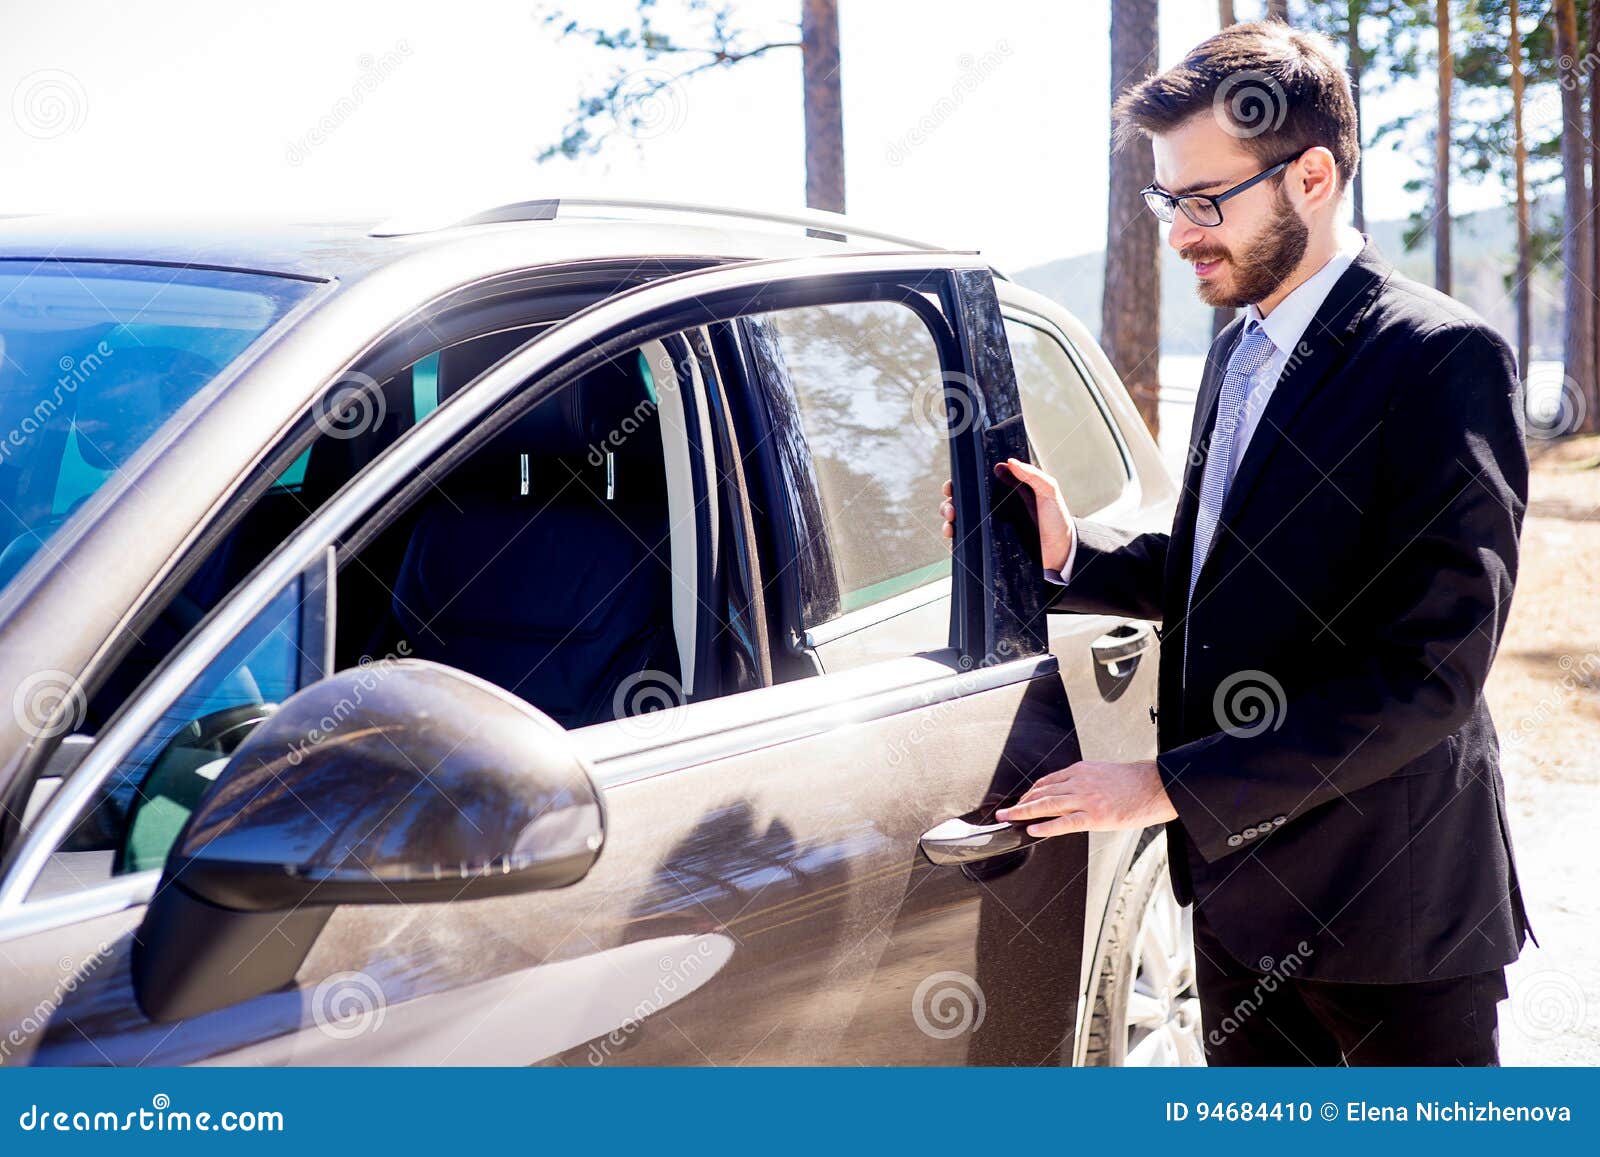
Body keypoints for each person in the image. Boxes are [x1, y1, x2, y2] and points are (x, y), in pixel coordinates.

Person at [941, 20, 1533, 1066]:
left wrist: (1170, 784)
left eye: (1206, 201)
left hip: (1386, 919)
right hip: (1232, 901)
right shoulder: (1240, 343)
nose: (1179, 233)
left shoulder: (1440, 358)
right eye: (1167, 201)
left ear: (1311, 174)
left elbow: (1428, 674)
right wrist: (1072, 554)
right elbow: (1225, 569)